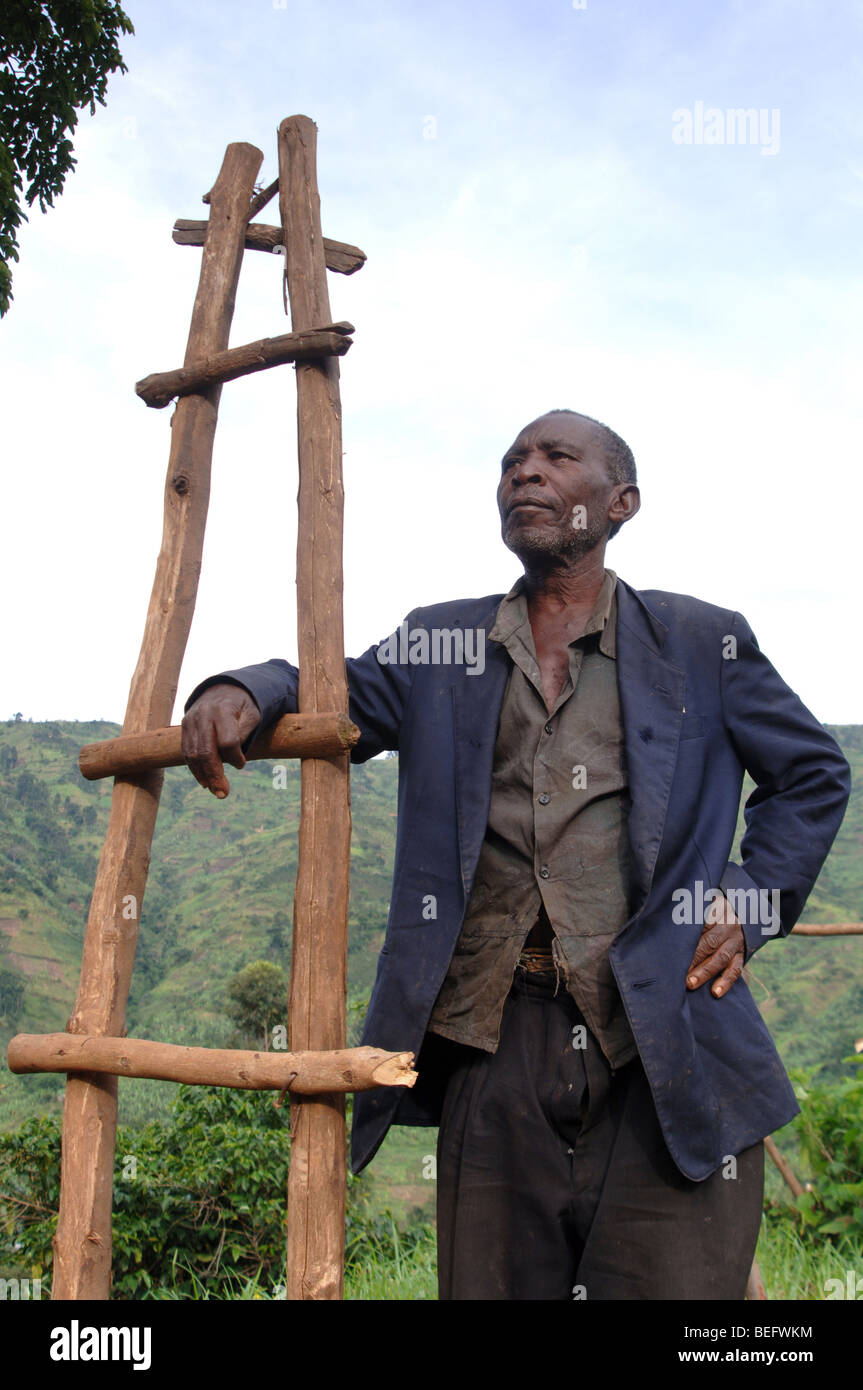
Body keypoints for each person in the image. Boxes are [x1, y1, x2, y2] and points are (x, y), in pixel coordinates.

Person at [181, 409, 850, 1300]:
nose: (523, 474)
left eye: (554, 458)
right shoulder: (443, 641)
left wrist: (747, 899)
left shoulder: (700, 642)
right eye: (510, 462)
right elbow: (332, 689)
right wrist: (241, 687)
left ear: (620, 503)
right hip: (492, 1042)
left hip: (668, 1037)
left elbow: (810, 774)